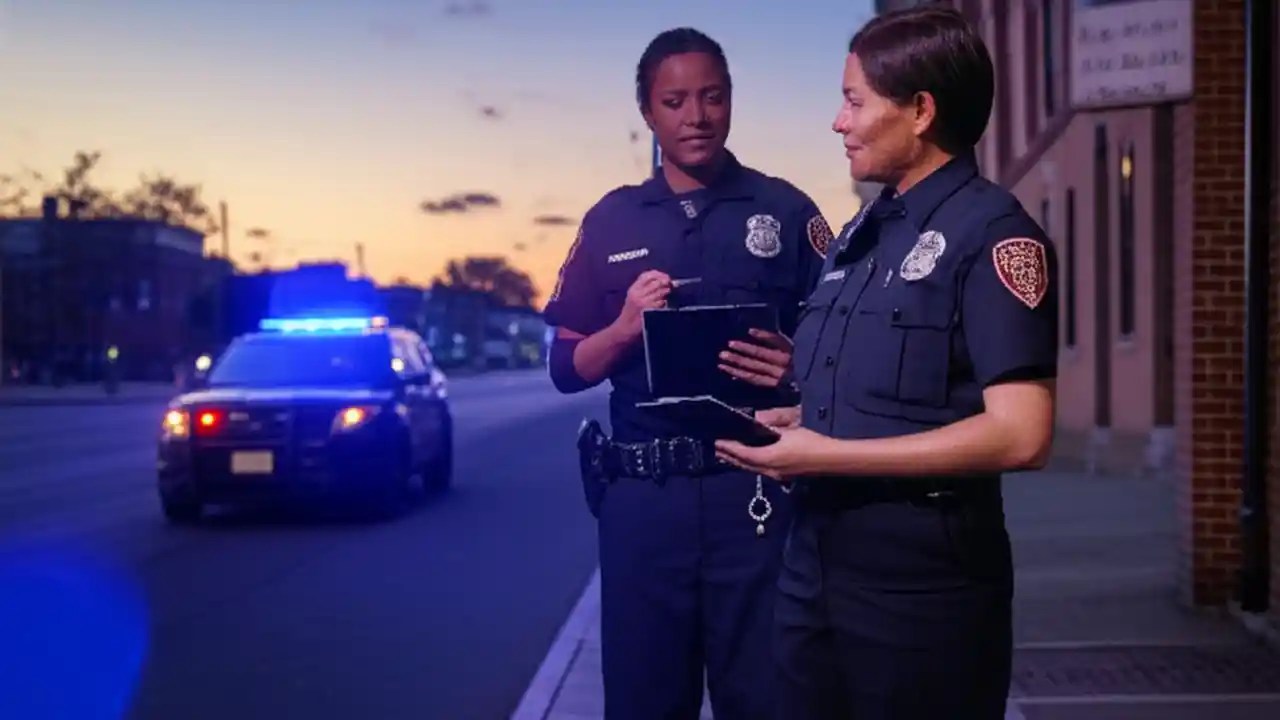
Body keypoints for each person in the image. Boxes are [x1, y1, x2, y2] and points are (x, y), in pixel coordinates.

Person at [715, 7, 1058, 719]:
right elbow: (881, 397)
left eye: (854, 100)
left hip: (922, 597)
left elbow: (1022, 435)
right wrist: (804, 420)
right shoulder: (859, 237)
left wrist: (826, 456)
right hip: (814, 573)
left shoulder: (992, 235)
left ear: (921, 111)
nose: (838, 123)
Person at [544, 27, 833, 720]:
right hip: (645, 502)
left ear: (731, 101)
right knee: (645, 700)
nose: (695, 117)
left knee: (769, 700)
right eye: (674, 101)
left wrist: (802, 366)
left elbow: (844, 345)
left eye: (711, 97)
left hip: (756, 498)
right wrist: (623, 328)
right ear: (648, 111)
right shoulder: (610, 221)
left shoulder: (785, 211)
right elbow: (564, 366)